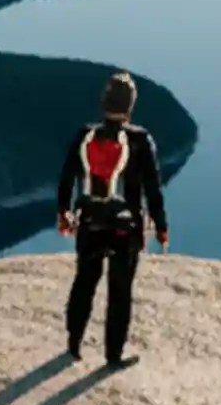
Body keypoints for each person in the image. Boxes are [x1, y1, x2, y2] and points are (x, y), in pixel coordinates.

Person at [57, 71, 169, 368]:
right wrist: (161, 226)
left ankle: (73, 342)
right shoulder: (140, 139)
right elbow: (153, 188)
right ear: (131, 105)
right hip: (125, 227)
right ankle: (113, 355)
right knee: (120, 290)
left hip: (90, 220)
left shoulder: (85, 135)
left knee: (85, 280)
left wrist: (64, 213)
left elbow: (67, 177)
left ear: (103, 101)